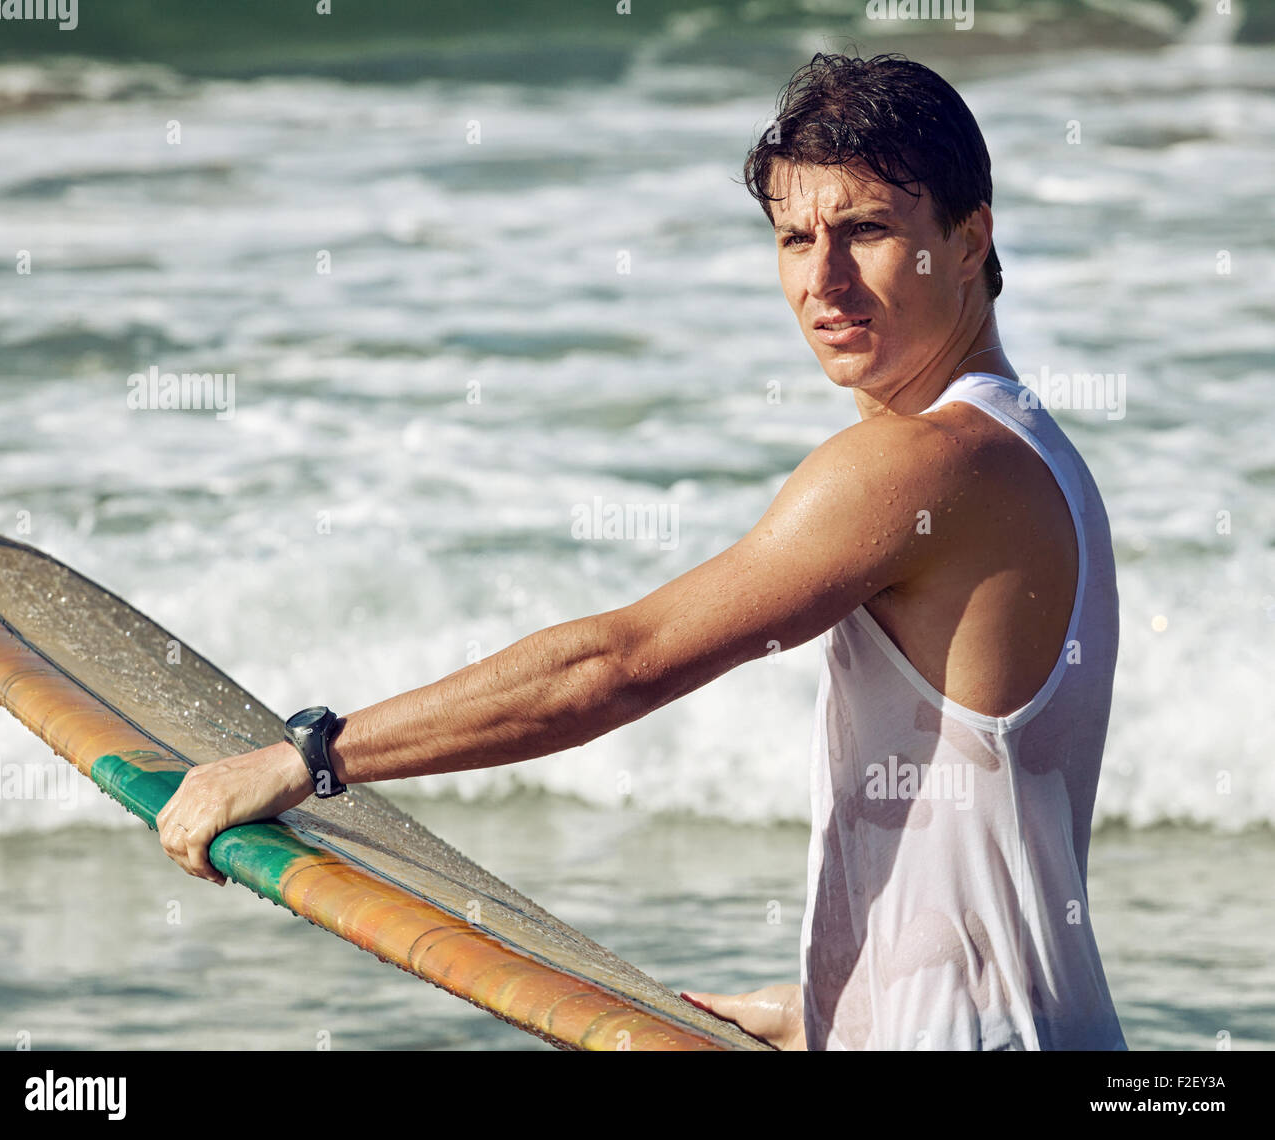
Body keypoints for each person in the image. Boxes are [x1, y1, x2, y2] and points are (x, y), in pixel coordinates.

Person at [157, 51, 1125, 1051]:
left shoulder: (914, 466)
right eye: (794, 238)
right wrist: (840, 1002)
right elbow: (987, 814)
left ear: (970, 243)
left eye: (866, 231)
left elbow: (612, 669)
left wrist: (309, 757)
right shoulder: (1035, 456)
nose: (822, 279)